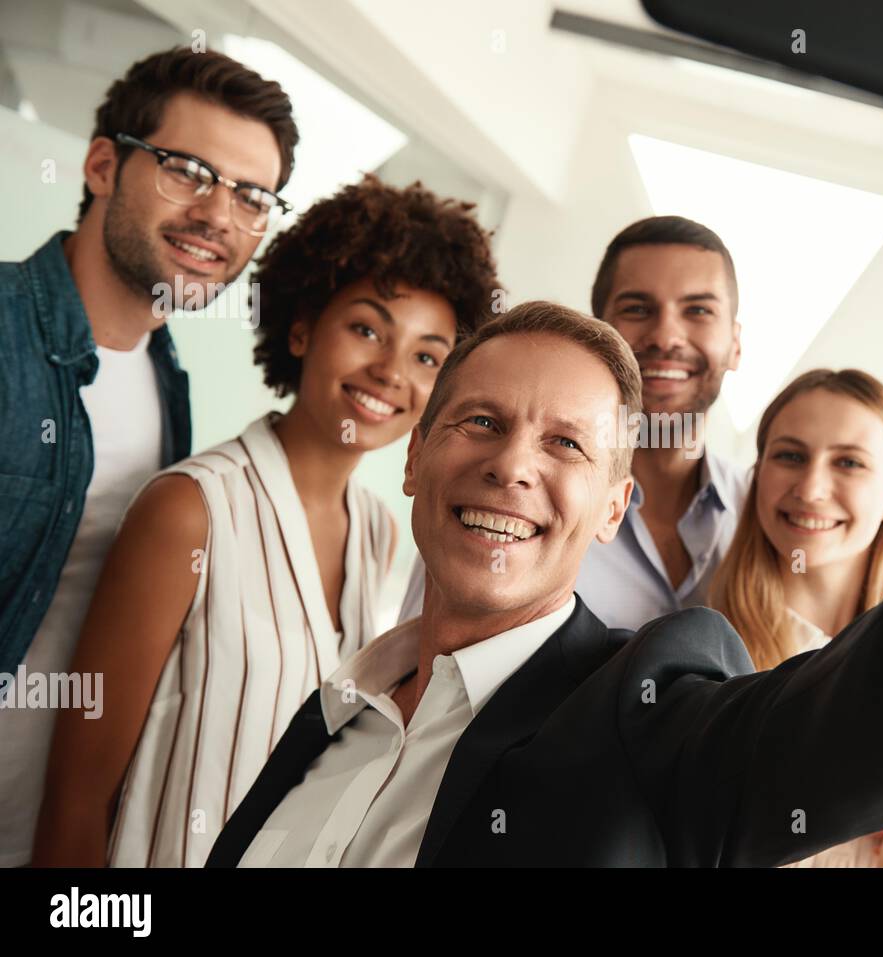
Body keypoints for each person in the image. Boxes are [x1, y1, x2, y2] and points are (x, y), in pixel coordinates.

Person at [206, 0, 883, 867]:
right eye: (478, 421)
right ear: (416, 453)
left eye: (569, 445)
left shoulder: (647, 714)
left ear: (613, 502)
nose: (512, 463)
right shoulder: (335, 704)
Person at [31, 175, 501, 867]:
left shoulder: (378, 529)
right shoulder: (190, 510)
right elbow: (74, 803)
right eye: (366, 327)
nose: (390, 371)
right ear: (303, 326)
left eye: (428, 356)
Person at [0, 46, 298, 868]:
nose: (218, 215)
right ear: (103, 165)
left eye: (250, 196)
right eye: (187, 170)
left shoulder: (169, 383)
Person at [398, 215, 747, 630]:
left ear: (735, 345)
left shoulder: (766, 511)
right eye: (638, 308)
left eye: (698, 310)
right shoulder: (498, 509)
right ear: (600, 334)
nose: (666, 336)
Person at [712, 369, 883, 867]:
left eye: (849, 462)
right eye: (790, 456)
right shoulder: (704, 662)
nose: (812, 488)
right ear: (758, 479)